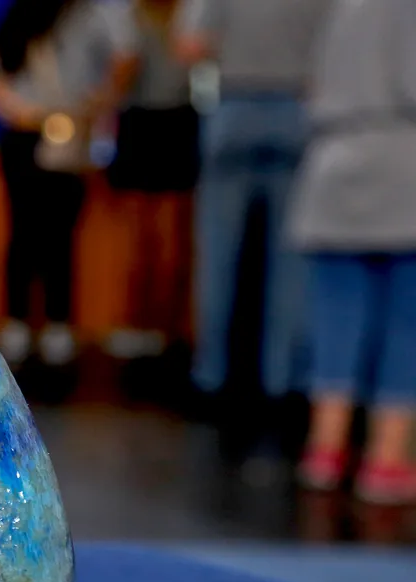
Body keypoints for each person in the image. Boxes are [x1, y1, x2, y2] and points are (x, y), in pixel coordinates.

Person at [290, 0, 416, 505]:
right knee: (406, 319)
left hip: (333, 161)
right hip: (402, 162)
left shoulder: (340, 7)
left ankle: (324, 450)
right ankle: (386, 461)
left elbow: (310, 84)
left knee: (335, 312)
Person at [174, 0, 329, 400]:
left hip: (233, 108)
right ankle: (282, 378)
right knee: (290, 259)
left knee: (218, 252)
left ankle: (212, 374)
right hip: (297, 110)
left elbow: (189, 45)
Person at [0, 0, 132, 368]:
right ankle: (16, 322)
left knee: (60, 234)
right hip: (23, 137)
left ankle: (59, 325)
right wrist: (18, 111)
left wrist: (97, 103)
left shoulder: (91, 15)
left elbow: (125, 57)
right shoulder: (18, 18)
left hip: (70, 135)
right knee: (22, 231)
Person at [105, 0, 198, 361]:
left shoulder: (191, 14)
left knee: (171, 239)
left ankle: (167, 328)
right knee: (139, 238)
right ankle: (139, 325)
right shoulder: (125, 18)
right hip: (140, 125)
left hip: (175, 124)